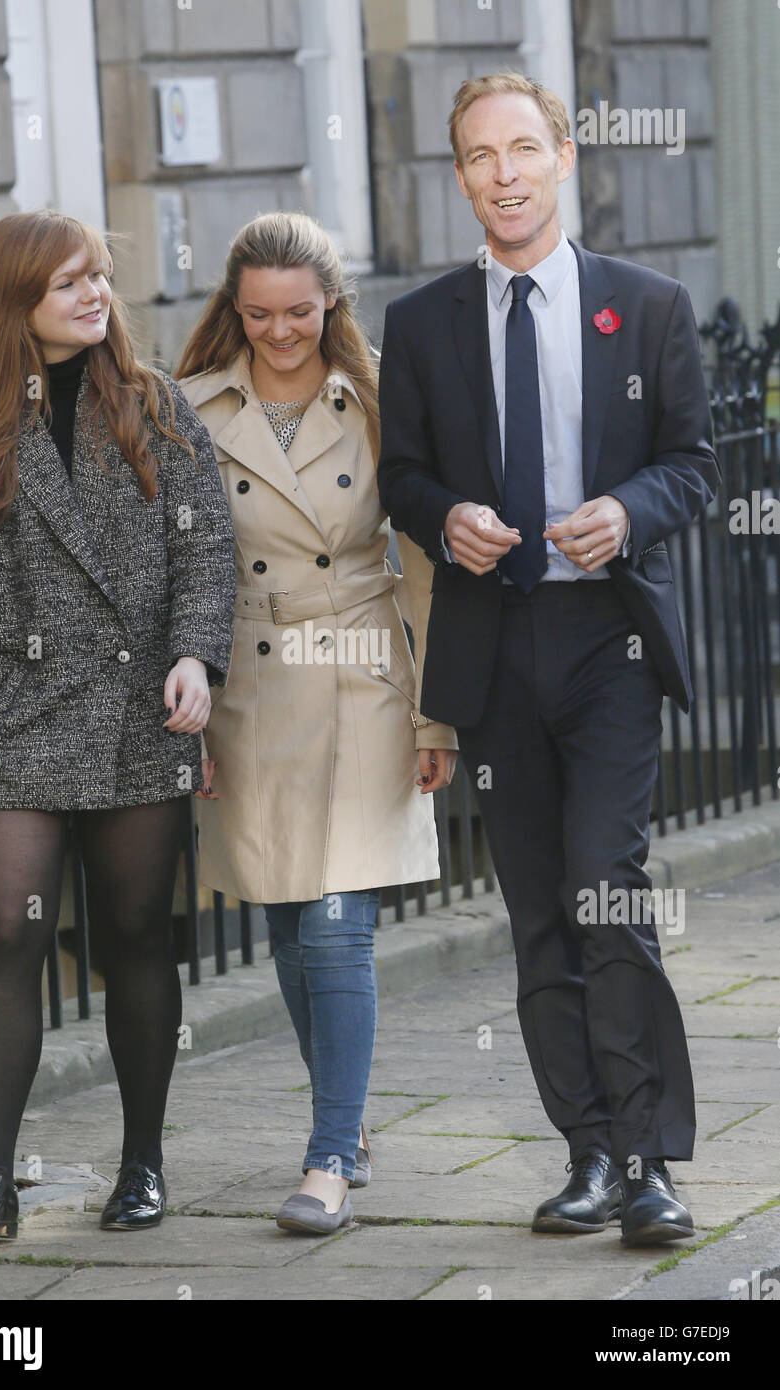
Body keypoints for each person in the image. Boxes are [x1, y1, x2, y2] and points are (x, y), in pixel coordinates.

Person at [377, 74, 719, 1248]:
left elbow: (694, 463)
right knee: (537, 913)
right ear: (461, 175)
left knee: (606, 889)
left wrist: (625, 510)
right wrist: (444, 518)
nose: (505, 174)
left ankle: (651, 1161)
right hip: (493, 643)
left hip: (609, 642)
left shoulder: (650, 304)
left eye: (525, 149)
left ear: (564, 158)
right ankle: (585, 1154)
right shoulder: (419, 323)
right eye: (480, 156)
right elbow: (401, 478)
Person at [0, 211, 236, 1239]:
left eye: (98, 276)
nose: (95, 295)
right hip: (15, 721)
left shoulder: (157, 404)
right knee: (9, 931)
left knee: (136, 935)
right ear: (17, 304)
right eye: (67, 285)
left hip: (142, 714)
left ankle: (142, 1163)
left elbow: (208, 553)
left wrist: (195, 657)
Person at [176, 211, 457, 1235]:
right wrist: (193, 711)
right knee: (289, 922)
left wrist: (437, 717)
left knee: (338, 924)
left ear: (330, 300)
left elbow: (421, 565)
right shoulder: (190, 407)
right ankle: (350, 1121)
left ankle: (330, 1154)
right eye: (258, 313)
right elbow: (181, 571)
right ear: (233, 308)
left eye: (299, 310)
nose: (281, 329)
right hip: (249, 683)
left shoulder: (383, 398)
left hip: (359, 673)